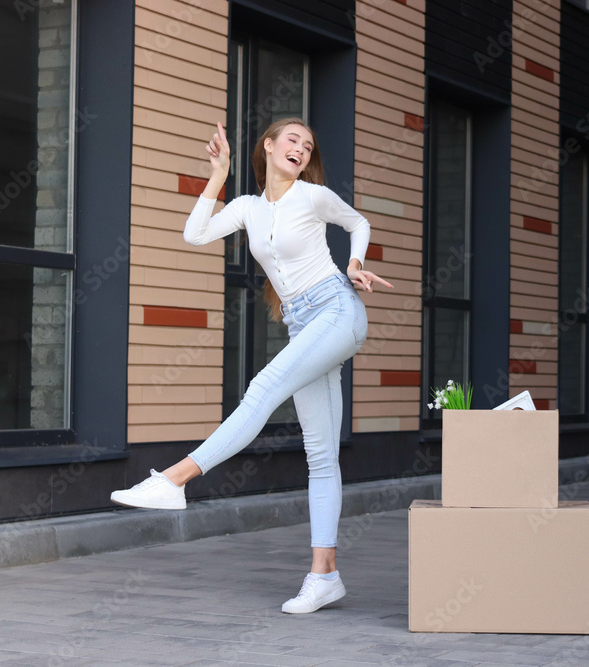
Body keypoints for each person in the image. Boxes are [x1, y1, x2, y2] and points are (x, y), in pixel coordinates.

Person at [110, 117, 393, 614]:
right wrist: (219, 173)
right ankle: (324, 574)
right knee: (321, 455)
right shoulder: (247, 208)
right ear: (268, 146)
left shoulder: (312, 196)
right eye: (292, 140)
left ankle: (173, 480)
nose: (301, 149)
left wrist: (354, 262)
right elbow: (194, 234)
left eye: (308, 145)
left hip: (337, 310)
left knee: (262, 387)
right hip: (305, 326)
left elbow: (357, 222)